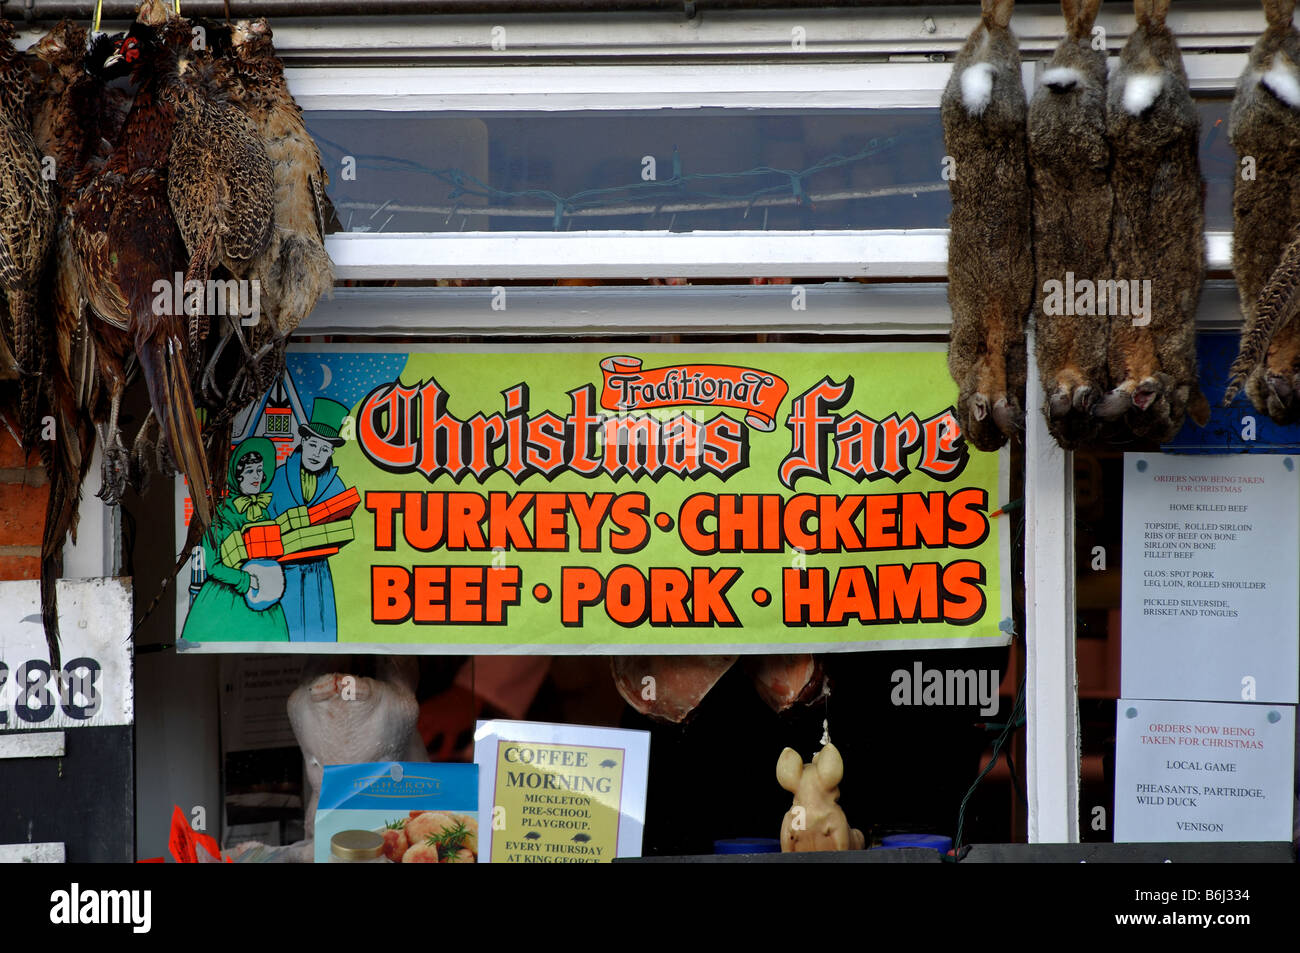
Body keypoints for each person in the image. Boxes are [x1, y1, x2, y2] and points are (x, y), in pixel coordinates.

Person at [181, 437, 289, 643]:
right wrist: (245, 581)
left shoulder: (262, 514)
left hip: (264, 597)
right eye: (249, 471)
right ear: (237, 477)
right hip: (226, 598)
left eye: (259, 470)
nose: (256, 476)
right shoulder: (220, 515)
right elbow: (212, 565)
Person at [267, 397, 350, 642]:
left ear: (332, 452)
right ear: (303, 441)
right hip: (283, 570)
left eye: (325, 449)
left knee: (320, 629)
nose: (317, 453)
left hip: (317, 574)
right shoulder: (279, 477)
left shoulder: (336, 486)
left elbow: (343, 528)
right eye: (314, 445)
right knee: (285, 632)